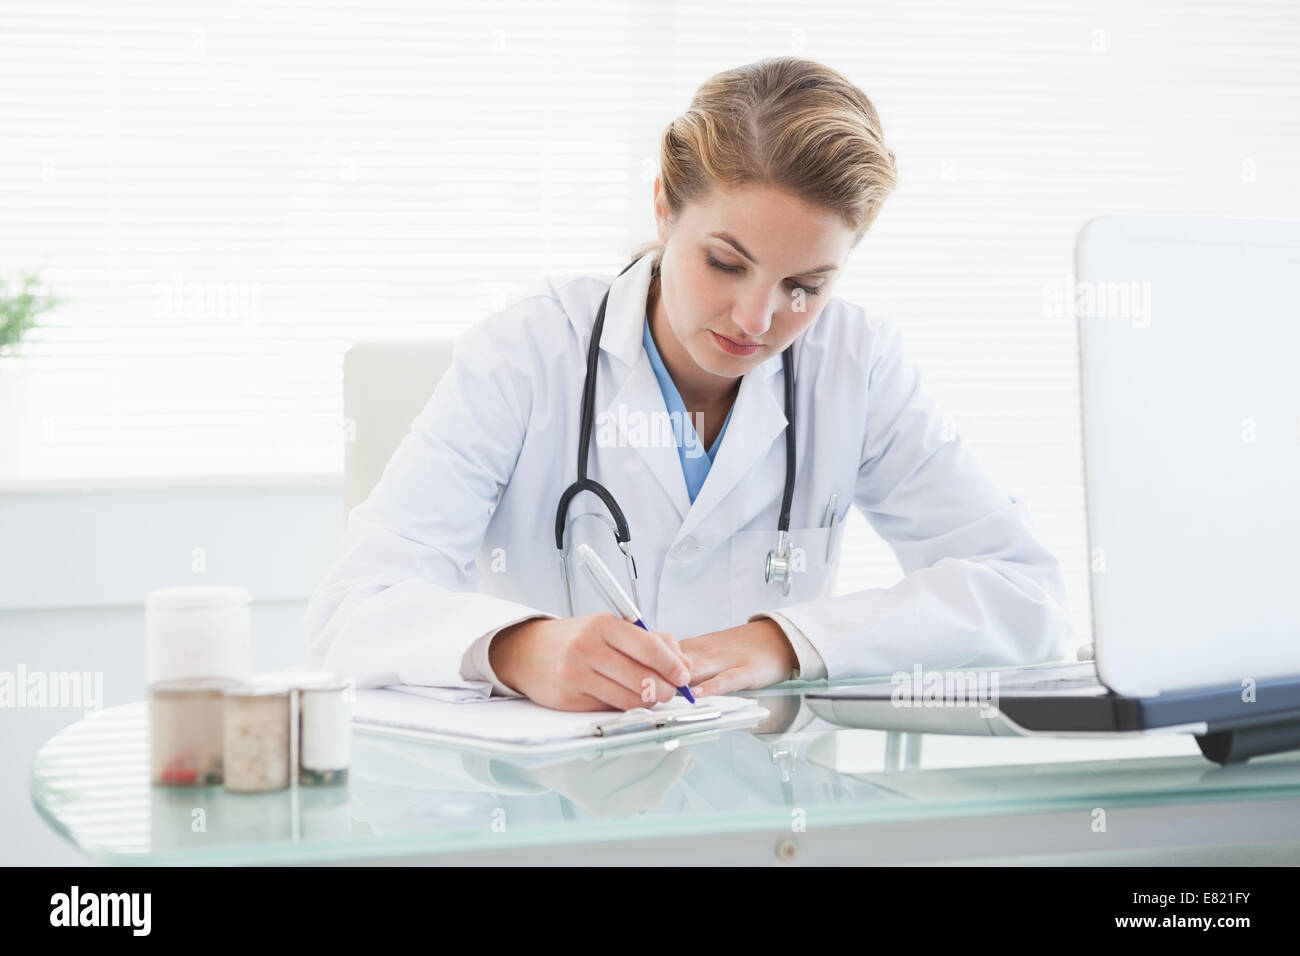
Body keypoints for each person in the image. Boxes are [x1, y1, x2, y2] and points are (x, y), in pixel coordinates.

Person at [305, 56, 1071, 712]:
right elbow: (353, 612)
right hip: (547, 808)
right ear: (665, 209)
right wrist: (519, 650)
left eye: (804, 284)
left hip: (765, 812)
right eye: (726, 263)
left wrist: (786, 640)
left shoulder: (856, 364)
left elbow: (1025, 594)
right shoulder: (527, 354)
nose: (757, 318)